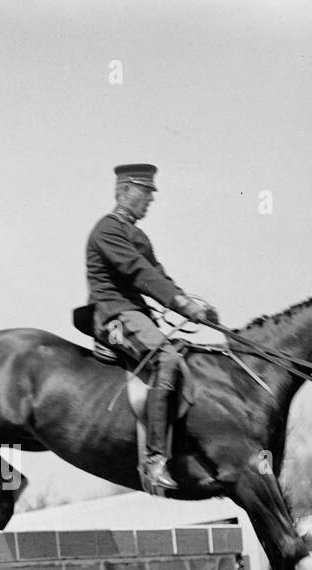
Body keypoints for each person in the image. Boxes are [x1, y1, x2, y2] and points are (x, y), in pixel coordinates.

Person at [81, 164, 221, 490]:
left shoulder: (137, 234)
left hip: (136, 315)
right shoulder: (107, 230)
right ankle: (155, 460)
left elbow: (157, 273)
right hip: (114, 316)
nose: (150, 200)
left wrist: (192, 305)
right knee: (168, 360)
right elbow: (138, 273)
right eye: (145, 193)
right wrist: (181, 304)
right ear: (124, 191)